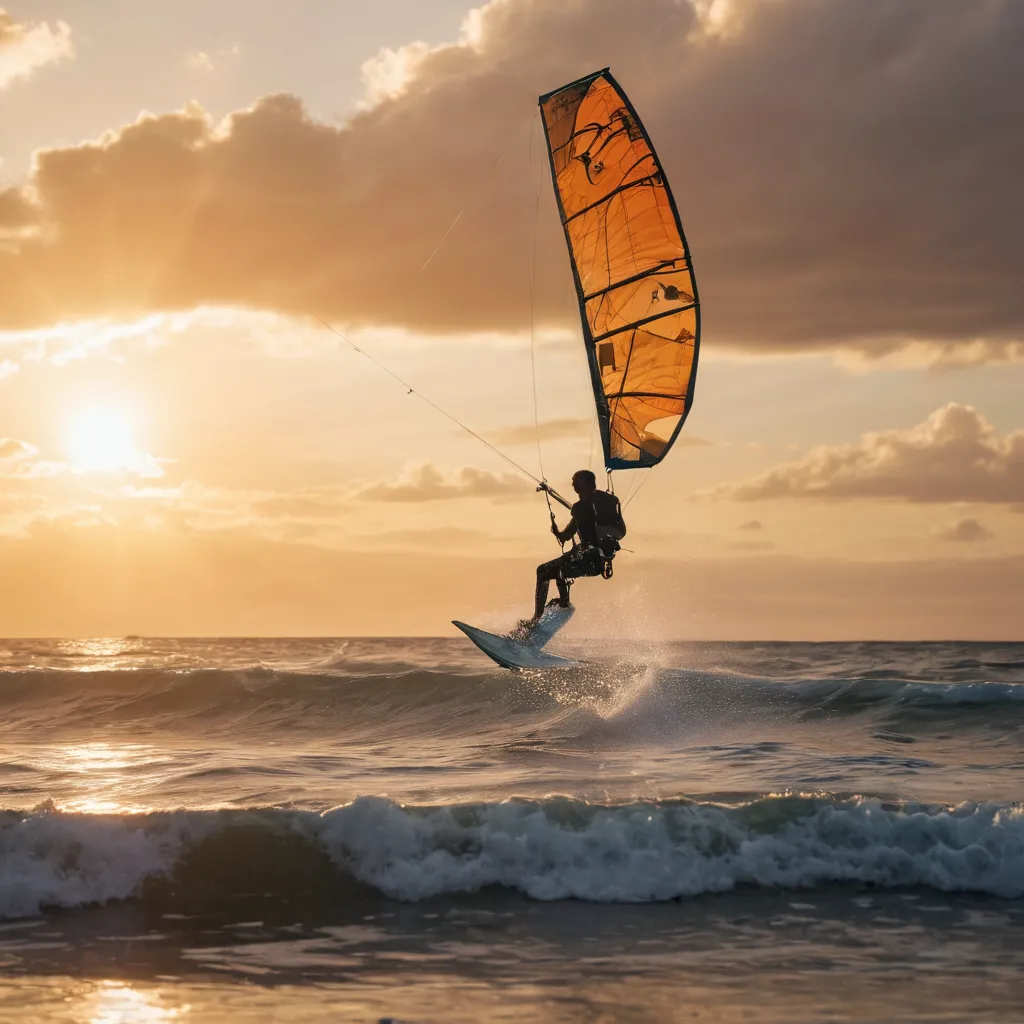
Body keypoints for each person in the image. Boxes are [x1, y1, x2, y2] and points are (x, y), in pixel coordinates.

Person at [512, 470, 626, 638]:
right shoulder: (578, 509)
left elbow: (621, 530)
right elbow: (566, 535)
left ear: (588, 483)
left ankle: (563, 603)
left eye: (576, 481)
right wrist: (557, 532)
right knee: (542, 571)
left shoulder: (604, 501)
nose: (573, 484)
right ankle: (537, 618)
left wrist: (606, 537)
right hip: (581, 555)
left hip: (595, 560)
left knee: (561, 572)